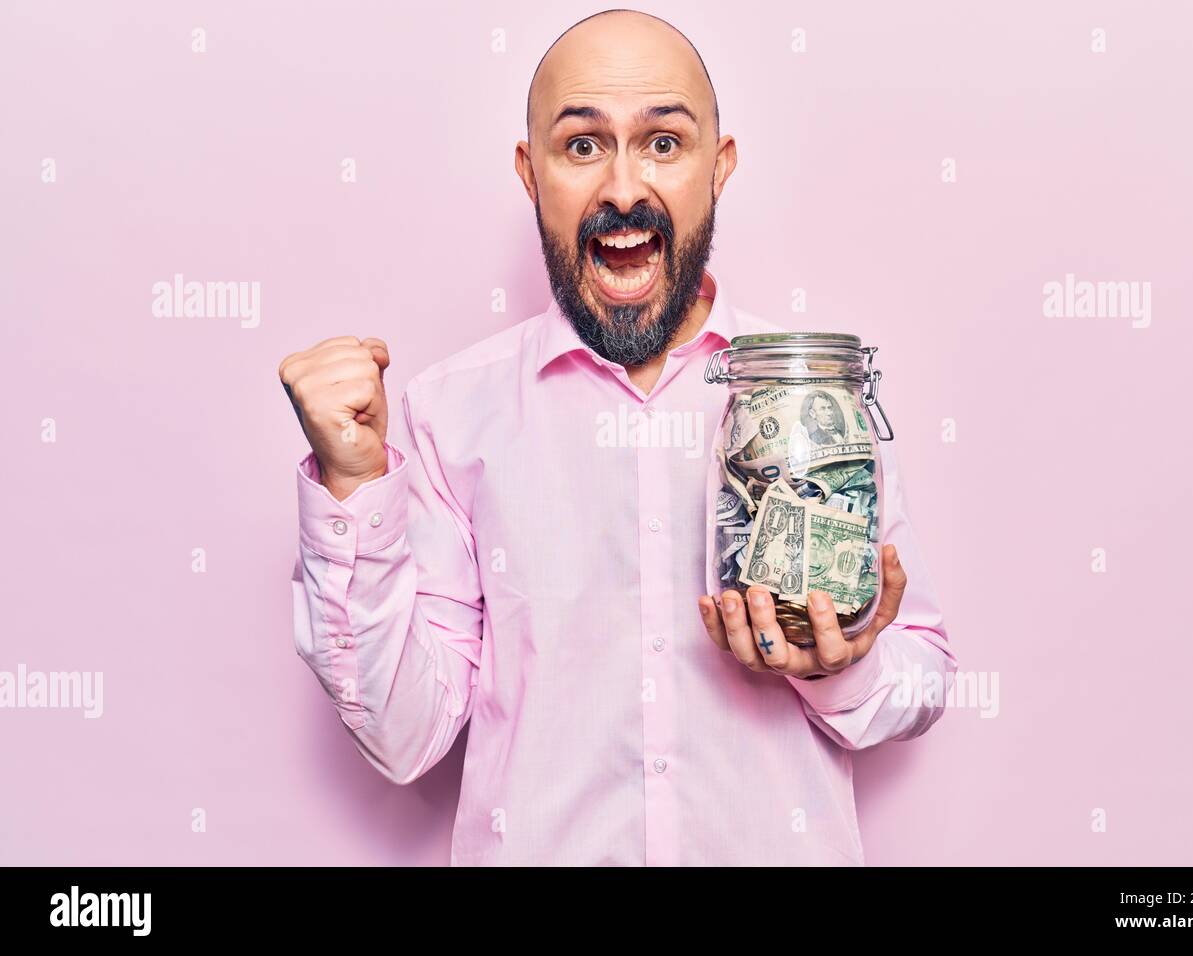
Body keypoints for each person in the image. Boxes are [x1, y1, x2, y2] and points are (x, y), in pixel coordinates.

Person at [278, 8, 956, 866]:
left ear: (720, 167)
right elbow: (404, 736)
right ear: (532, 174)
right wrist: (352, 487)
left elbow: (922, 677)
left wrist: (839, 666)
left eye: (665, 144)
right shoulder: (451, 413)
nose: (625, 189)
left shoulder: (812, 403)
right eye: (584, 145)